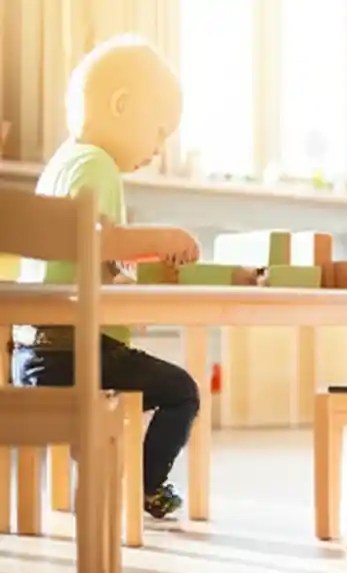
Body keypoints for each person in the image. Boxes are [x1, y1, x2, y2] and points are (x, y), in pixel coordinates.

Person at [11, 36, 202, 519]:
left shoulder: (59, 166)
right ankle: (144, 484)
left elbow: (78, 258)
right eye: (159, 132)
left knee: (128, 373)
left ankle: (103, 481)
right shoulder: (97, 166)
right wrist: (163, 238)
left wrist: (118, 281)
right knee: (182, 390)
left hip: (29, 356)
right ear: (122, 106)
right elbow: (96, 240)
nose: (158, 150)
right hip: (75, 355)